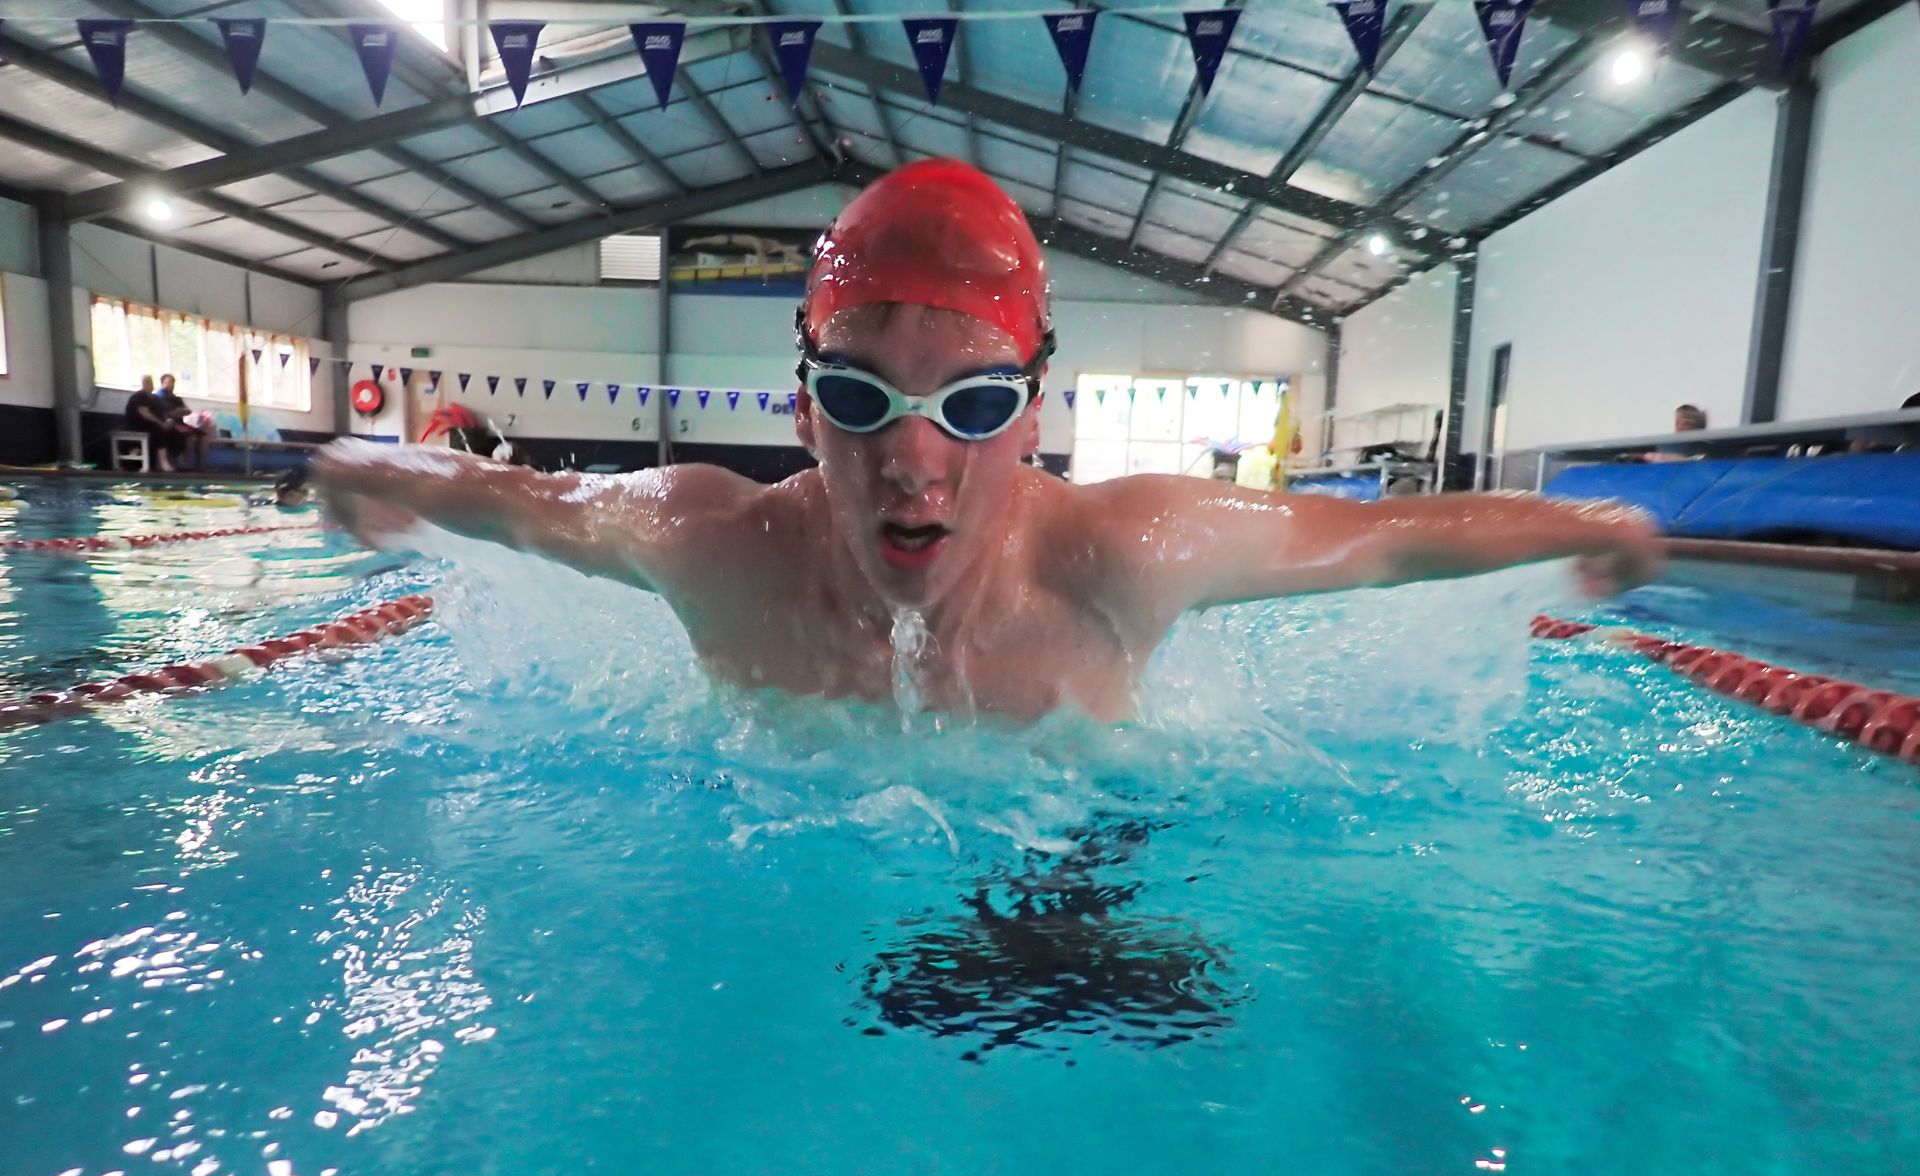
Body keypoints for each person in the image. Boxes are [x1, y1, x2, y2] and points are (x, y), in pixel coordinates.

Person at [317, 159, 1659, 724]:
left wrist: (1587, 526)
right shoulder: (713, 544)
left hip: (1075, 872)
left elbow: (1385, 537)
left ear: (1033, 408)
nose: (916, 464)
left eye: (969, 406)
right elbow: (518, 495)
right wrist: (376, 469)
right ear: (800, 406)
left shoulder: (1122, 558)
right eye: (860, 403)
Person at [123, 374, 181, 472]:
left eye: (151, 383)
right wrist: (161, 423)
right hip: (137, 424)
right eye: (147, 383)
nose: (150, 385)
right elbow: (145, 414)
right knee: (157, 429)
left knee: (174, 430)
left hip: (150, 424)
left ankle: (175, 460)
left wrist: (168, 421)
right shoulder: (139, 396)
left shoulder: (154, 398)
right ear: (144, 384)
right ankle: (163, 462)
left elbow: (162, 412)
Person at [156, 373, 211, 471]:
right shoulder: (158, 397)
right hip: (168, 424)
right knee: (191, 437)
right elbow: (165, 413)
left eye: (173, 383)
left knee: (204, 435)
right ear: (162, 383)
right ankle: (184, 462)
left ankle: (202, 465)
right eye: (169, 383)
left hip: (180, 424)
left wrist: (179, 412)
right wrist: (174, 413)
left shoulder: (176, 398)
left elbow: (187, 411)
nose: (171, 385)